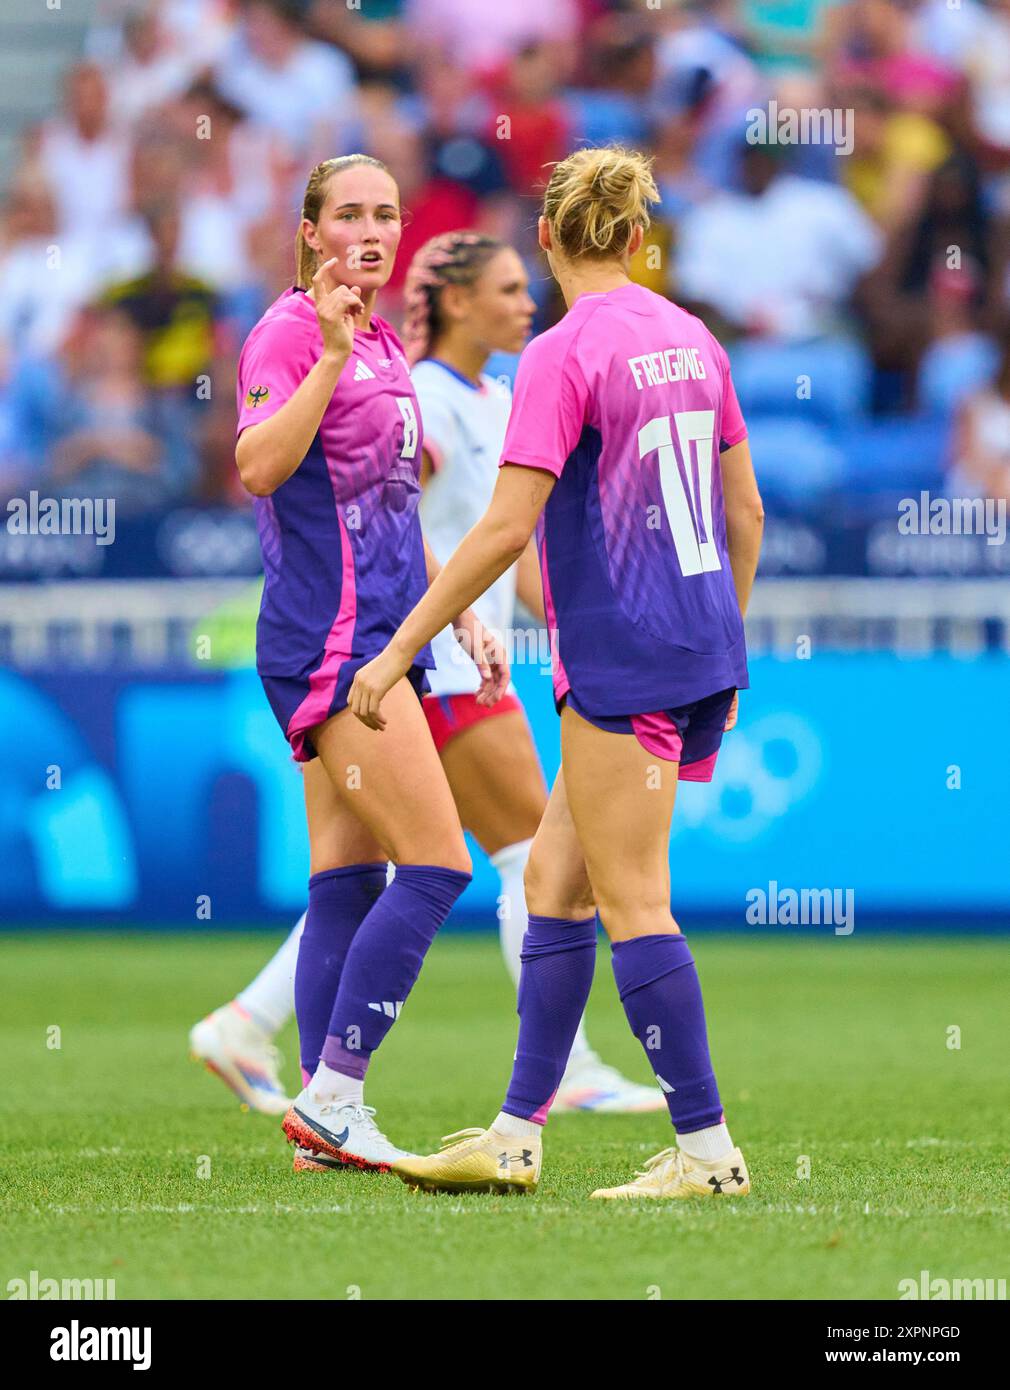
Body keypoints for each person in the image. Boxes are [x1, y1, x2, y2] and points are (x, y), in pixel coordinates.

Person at [348, 144, 765, 1201]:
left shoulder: (561, 353)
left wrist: (401, 647)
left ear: (543, 241)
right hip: (697, 640)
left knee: (632, 900)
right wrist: (713, 632)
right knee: (550, 883)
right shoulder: (692, 337)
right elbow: (744, 514)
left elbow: (500, 529)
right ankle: (515, 1131)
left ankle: (707, 1151)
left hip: (624, 654)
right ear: (635, 237)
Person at [188, 227, 666, 1120]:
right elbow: (398, 517)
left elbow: (511, 536)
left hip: (448, 652)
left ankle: (252, 1024)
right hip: (421, 659)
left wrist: (564, 617)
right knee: (522, 852)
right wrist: (461, 622)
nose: (529, 303)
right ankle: (560, 1064)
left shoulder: (497, 393)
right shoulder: (431, 398)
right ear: (456, 301)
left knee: (370, 870)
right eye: (509, 289)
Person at [233, 152, 507, 1173]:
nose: (371, 231)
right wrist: (327, 362)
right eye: (348, 213)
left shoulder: (381, 337)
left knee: (346, 880)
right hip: (332, 648)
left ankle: (321, 1125)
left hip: (388, 639)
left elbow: (389, 502)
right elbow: (257, 466)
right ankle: (337, 1094)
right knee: (438, 865)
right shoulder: (293, 332)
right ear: (309, 233)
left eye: (386, 214)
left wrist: (458, 614)